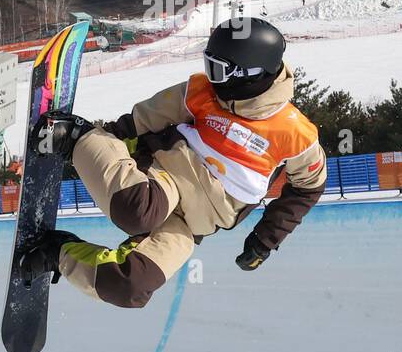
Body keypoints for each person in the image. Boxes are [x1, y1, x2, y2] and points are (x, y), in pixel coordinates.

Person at [17, 17, 327, 309]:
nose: (210, 78)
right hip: (167, 176)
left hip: (192, 225)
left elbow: (307, 188)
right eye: (209, 65)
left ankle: (54, 253)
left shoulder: (296, 134)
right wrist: (94, 146)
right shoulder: (201, 93)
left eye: (218, 70)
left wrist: (265, 239)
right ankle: (75, 134)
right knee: (138, 212)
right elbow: (141, 120)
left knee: (131, 287)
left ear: (249, 75)